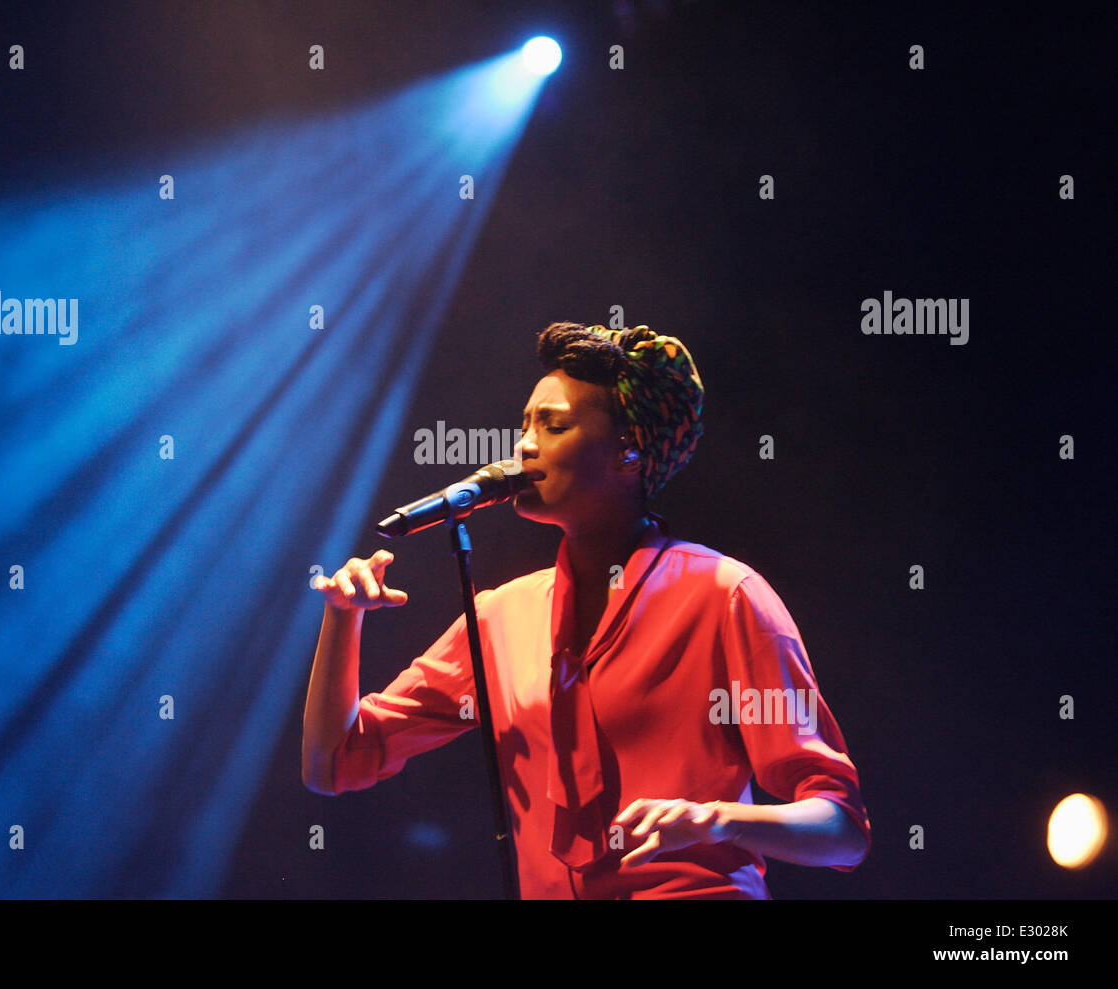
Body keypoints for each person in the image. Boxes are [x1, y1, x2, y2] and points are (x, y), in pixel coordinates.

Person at [302, 321, 870, 899]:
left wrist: (716, 818)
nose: (524, 446)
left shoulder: (725, 595)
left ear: (629, 450)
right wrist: (343, 617)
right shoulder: (502, 615)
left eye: (554, 425)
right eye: (524, 425)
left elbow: (841, 830)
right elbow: (335, 764)